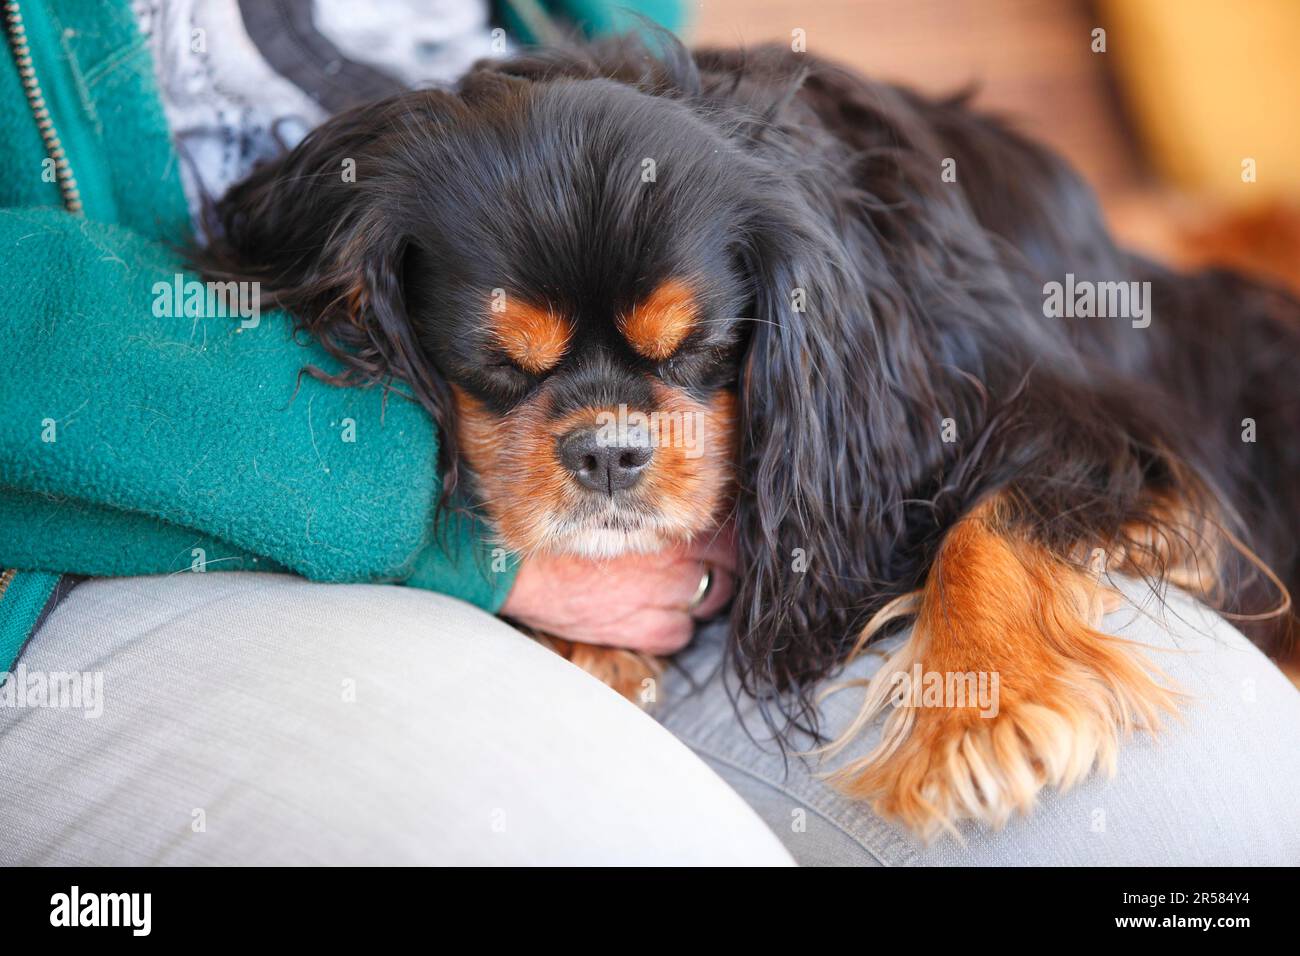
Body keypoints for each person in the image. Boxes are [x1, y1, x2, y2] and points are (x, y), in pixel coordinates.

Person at [2, 0, 1297, 866]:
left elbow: (1069, 445)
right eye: (512, 369)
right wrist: (449, 524)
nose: (611, 433)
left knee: (1213, 795)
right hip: (109, 524)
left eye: (679, 357)